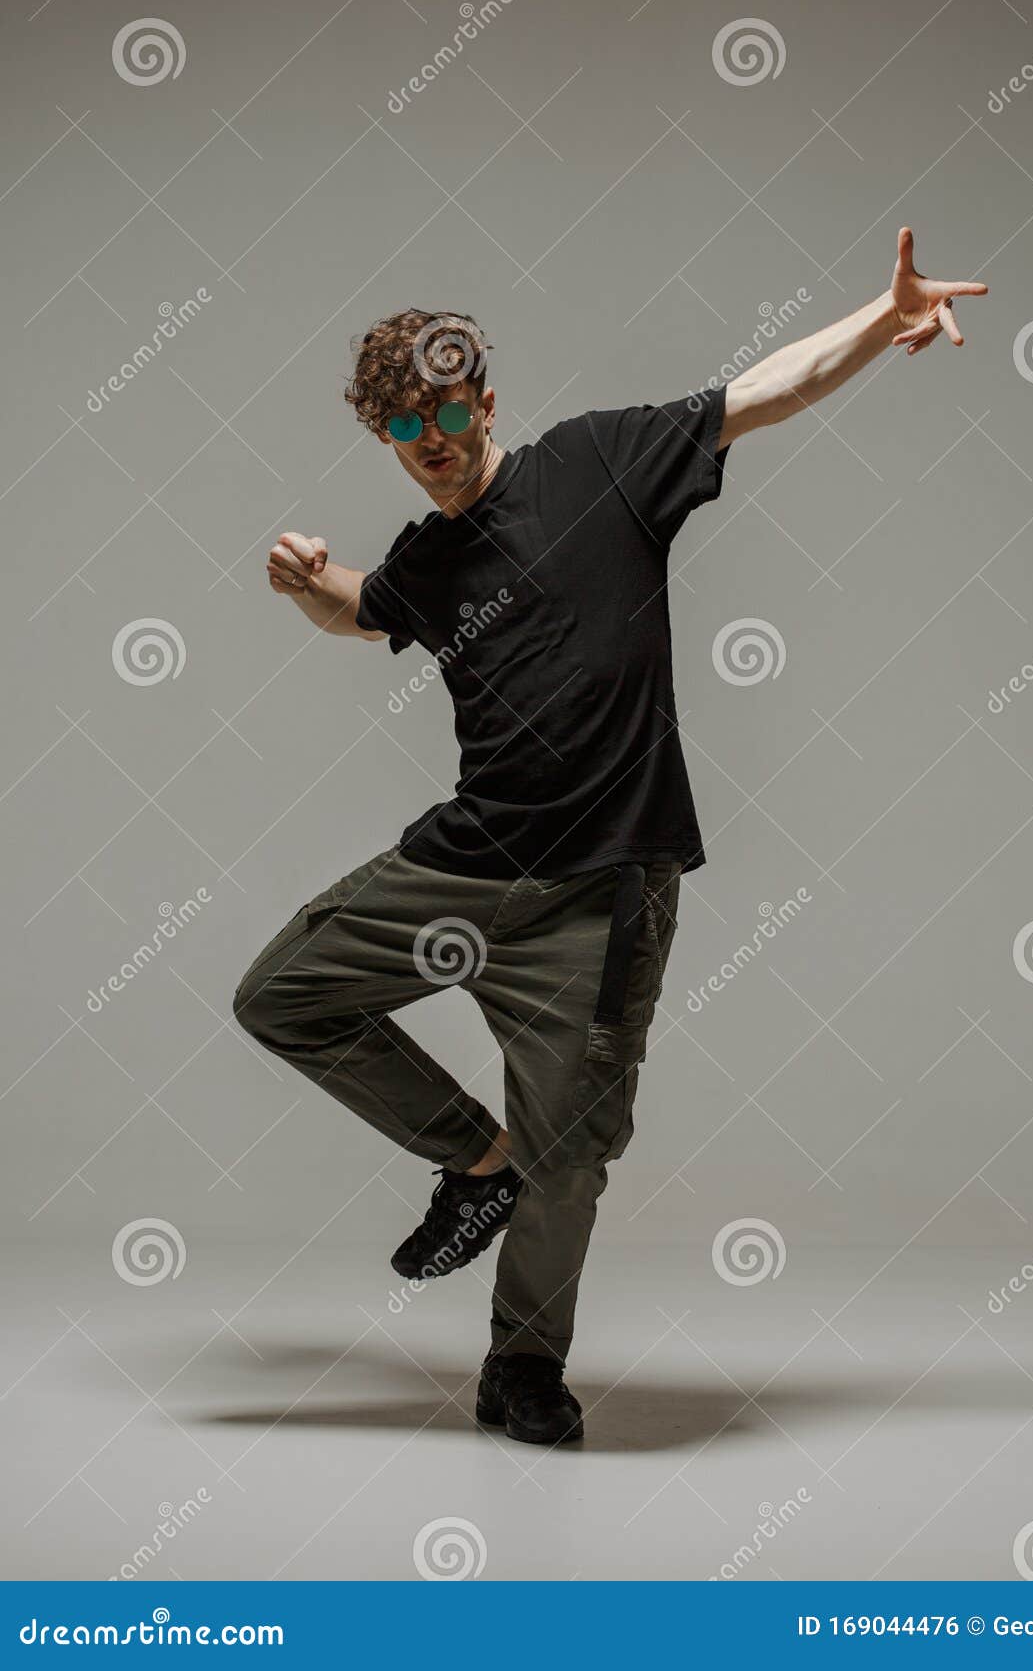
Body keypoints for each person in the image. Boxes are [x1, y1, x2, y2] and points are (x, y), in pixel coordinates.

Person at [233, 228, 987, 1446]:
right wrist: (302, 579)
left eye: (447, 421)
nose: (431, 452)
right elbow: (362, 612)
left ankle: (522, 1368)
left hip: (603, 898)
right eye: (405, 439)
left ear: (485, 398)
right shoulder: (430, 560)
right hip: (465, 870)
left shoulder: (602, 462)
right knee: (281, 994)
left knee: (573, 1155)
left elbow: (765, 390)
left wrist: (876, 316)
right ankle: (476, 1164)